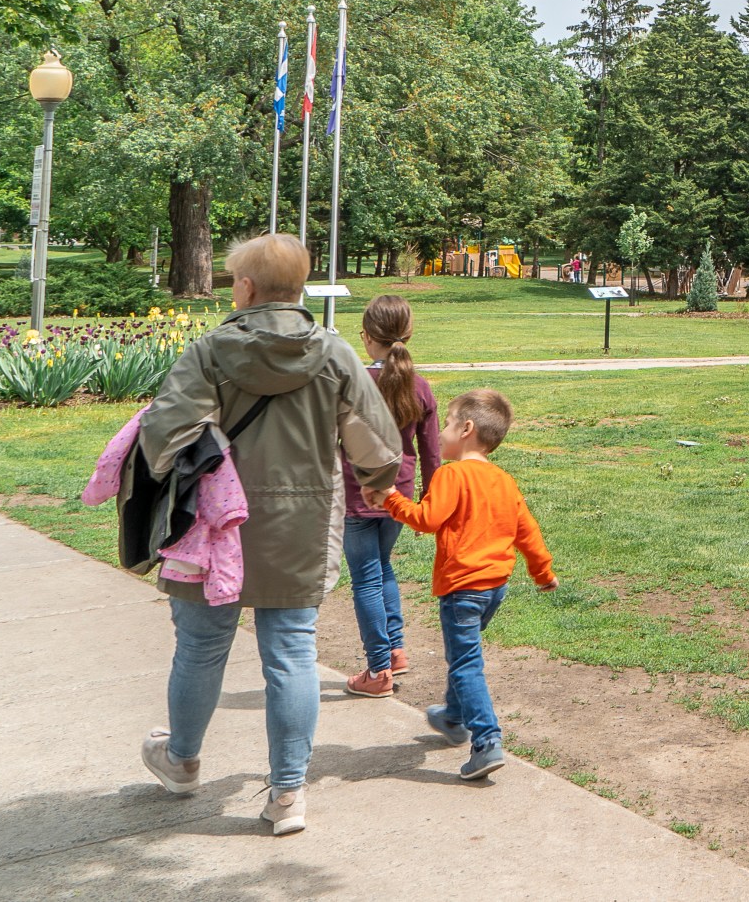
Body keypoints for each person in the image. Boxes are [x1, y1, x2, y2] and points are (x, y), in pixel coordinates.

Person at [137, 233, 405, 836]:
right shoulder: (336, 356)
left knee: (200, 648)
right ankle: (288, 795)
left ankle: (181, 760)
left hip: (212, 528)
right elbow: (379, 449)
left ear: (248, 287)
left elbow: (161, 441)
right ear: (300, 288)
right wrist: (370, 481)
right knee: (292, 655)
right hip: (302, 525)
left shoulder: (209, 353)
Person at [380, 388, 555, 780]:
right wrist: (543, 573)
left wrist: (390, 498)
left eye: (447, 423)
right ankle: (454, 716)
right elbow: (527, 532)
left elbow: (427, 519)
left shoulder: (451, 474)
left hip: (463, 589)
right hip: (495, 588)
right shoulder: (504, 481)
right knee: (466, 656)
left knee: (465, 664)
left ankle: (487, 741)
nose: (440, 431)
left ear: (467, 429)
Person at [339, 294, 439, 698]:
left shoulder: (352, 383)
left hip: (358, 493)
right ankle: (396, 650)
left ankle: (378, 670)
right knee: (384, 568)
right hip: (400, 493)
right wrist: (429, 504)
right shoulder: (420, 386)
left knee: (365, 579)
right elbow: (432, 453)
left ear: (366, 337)